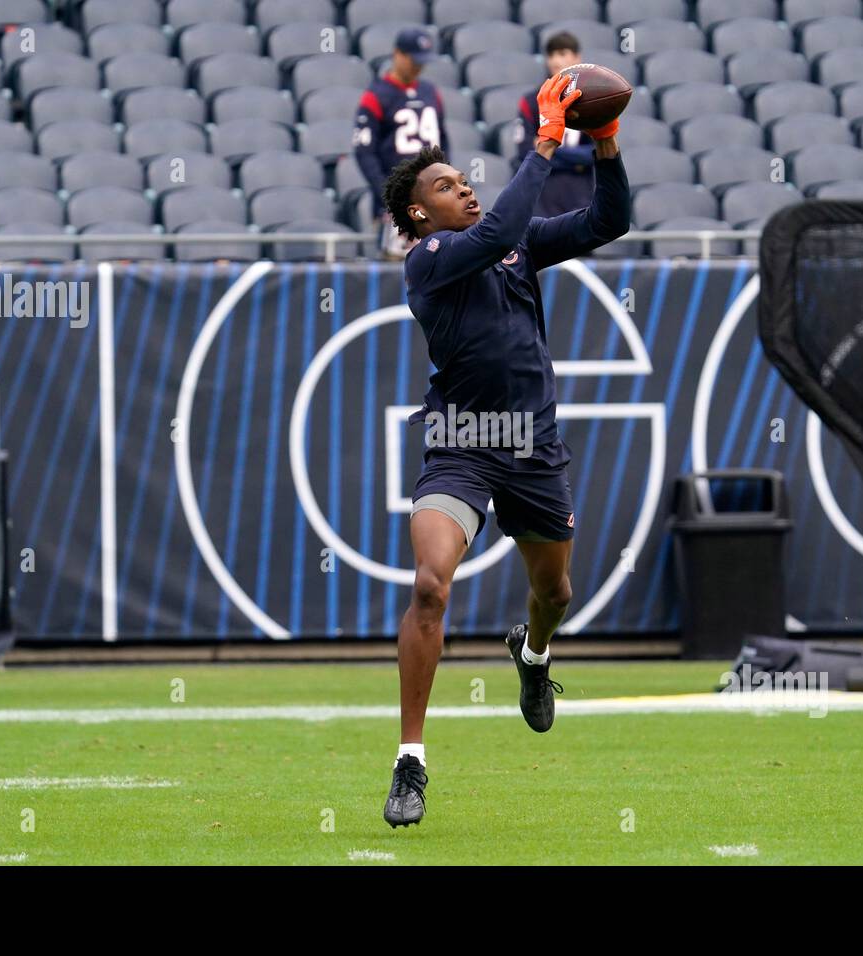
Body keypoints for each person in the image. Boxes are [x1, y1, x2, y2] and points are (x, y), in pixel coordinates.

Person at [378, 73, 628, 827]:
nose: (468, 191)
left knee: (554, 596)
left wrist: (604, 140)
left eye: (467, 180)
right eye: (451, 185)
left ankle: (535, 657)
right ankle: (411, 761)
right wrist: (547, 141)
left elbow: (606, 221)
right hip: (462, 441)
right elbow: (493, 232)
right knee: (430, 584)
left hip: (533, 443)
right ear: (422, 212)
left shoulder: (512, 243)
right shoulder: (427, 260)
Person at [353, 27, 450, 259]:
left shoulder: (430, 92)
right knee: (397, 268)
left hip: (431, 198)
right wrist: (388, 194)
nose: (418, 67)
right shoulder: (376, 95)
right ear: (397, 54)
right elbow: (364, 152)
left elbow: (442, 139)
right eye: (413, 60)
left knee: (436, 262)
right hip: (396, 199)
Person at [515, 32, 595, 217]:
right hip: (542, 197)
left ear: (577, 58)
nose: (555, 60)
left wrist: (548, 149)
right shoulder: (532, 100)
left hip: (580, 197)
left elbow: (594, 154)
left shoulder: (591, 101)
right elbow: (525, 152)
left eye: (562, 53)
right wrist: (575, 161)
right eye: (551, 55)